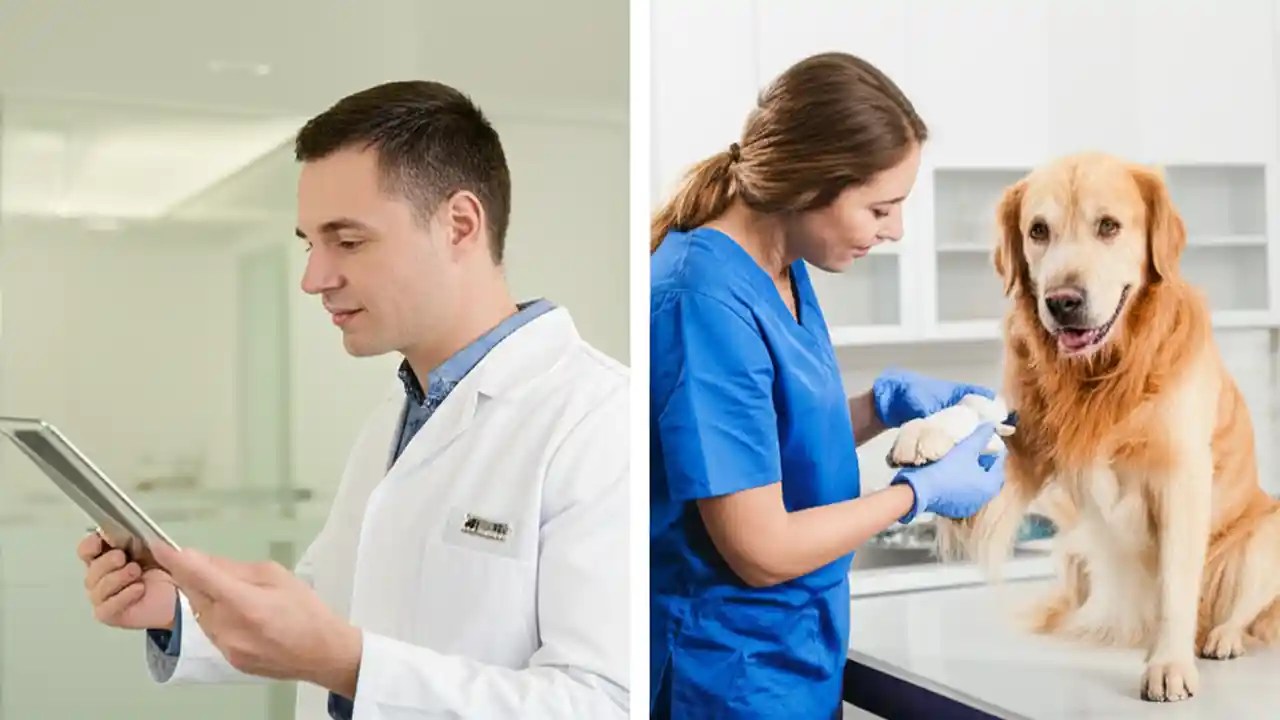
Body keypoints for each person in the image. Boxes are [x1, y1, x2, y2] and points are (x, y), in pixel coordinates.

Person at [75, 80, 629, 719]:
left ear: (460, 225)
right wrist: (177, 610)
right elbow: (336, 605)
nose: (314, 278)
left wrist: (345, 665)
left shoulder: (598, 422)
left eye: (348, 240)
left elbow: (605, 703)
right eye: (310, 242)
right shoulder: (395, 420)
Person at [649, 52, 1008, 719]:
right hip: (726, 676)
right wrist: (915, 494)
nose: (895, 229)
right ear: (811, 183)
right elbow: (759, 549)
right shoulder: (701, 299)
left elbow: (762, 451)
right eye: (881, 207)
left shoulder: (782, 267)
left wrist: (879, 407)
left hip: (792, 660)